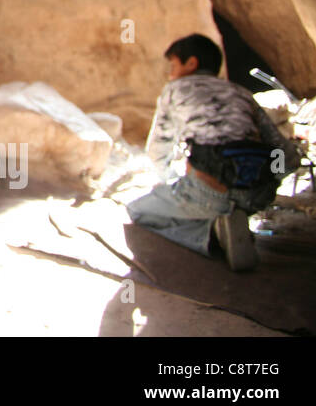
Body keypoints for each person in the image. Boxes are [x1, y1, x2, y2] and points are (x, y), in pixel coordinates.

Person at [127, 34, 301, 271]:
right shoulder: (240, 93)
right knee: (222, 191)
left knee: (138, 211)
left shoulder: (175, 89)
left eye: (173, 66)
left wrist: (171, 183)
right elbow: (286, 154)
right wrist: (272, 182)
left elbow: (159, 150)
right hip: (258, 194)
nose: (170, 73)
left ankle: (213, 235)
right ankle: (231, 220)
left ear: (191, 64)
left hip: (209, 190)